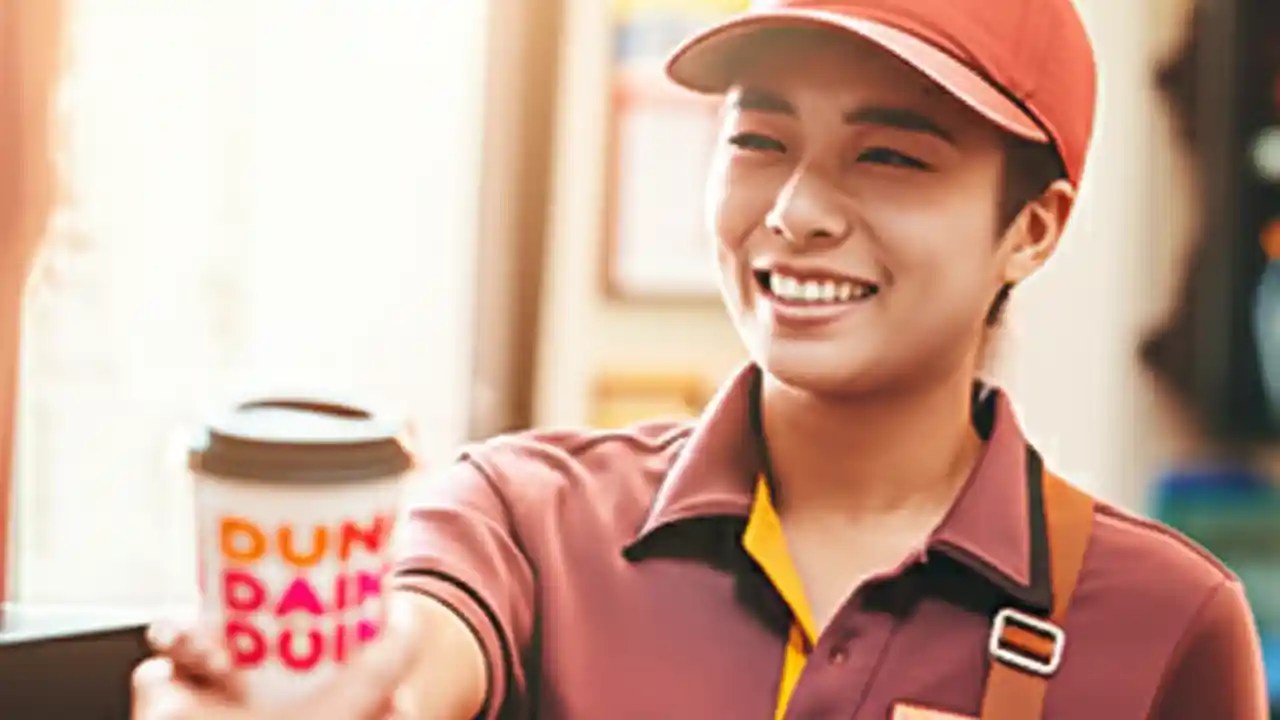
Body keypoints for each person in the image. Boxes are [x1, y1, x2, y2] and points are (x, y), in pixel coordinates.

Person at [132, 0, 1270, 717]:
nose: (794, 211)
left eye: (887, 156)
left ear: (1031, 225)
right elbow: (418, 648)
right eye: (758, 142)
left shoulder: (1165, 625)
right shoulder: (527, 516)